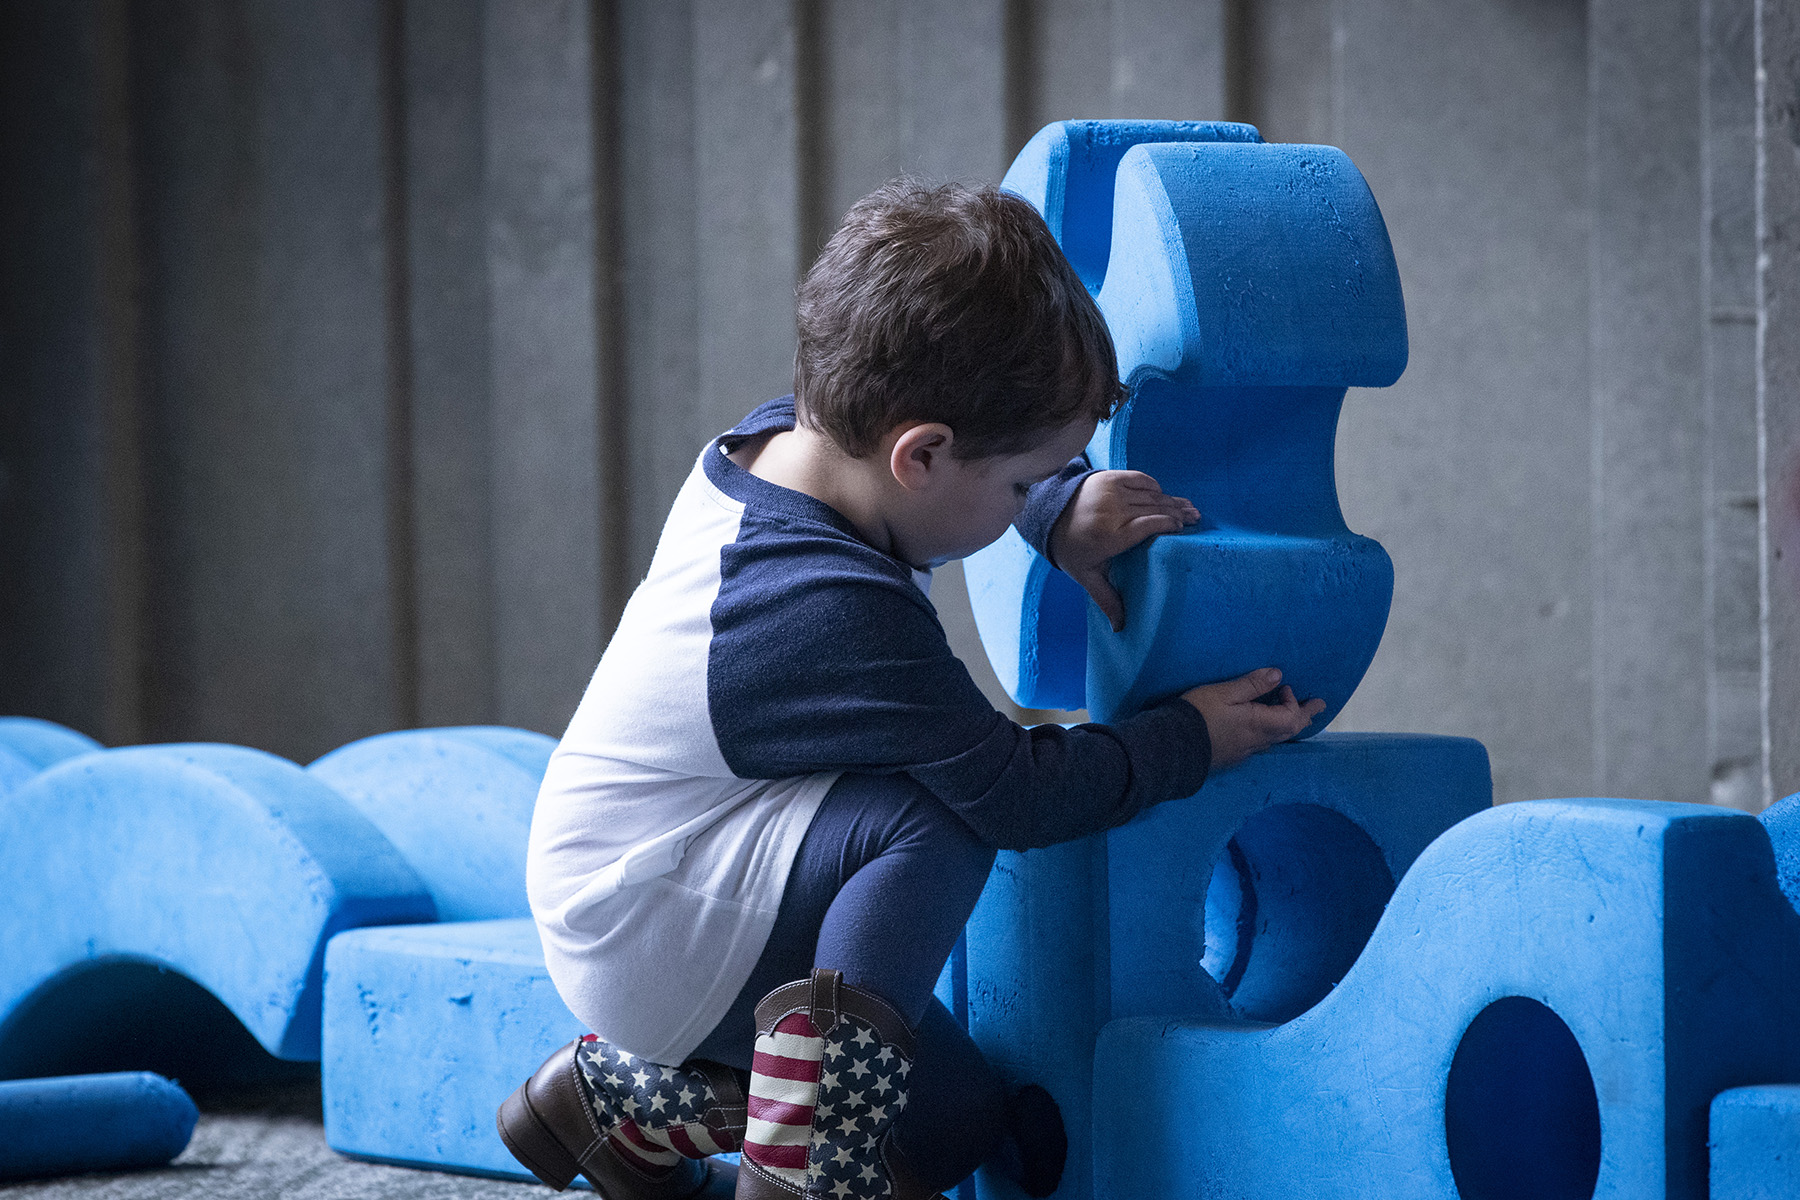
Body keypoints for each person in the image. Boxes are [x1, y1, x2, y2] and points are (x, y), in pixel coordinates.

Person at [496, 180, 1324, 1200]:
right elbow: (1016, 793)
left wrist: (1053, 509)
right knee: (938, 812)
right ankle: (801, 1166)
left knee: (951, 1126)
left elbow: (945, 463)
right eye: (1025, 481)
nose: (1030, 499)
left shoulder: (788, 446)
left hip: (661, 887)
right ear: (921, 453)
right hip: (655, 918)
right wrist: (1187, 738)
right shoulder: (828, 606)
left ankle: (615, 1107)